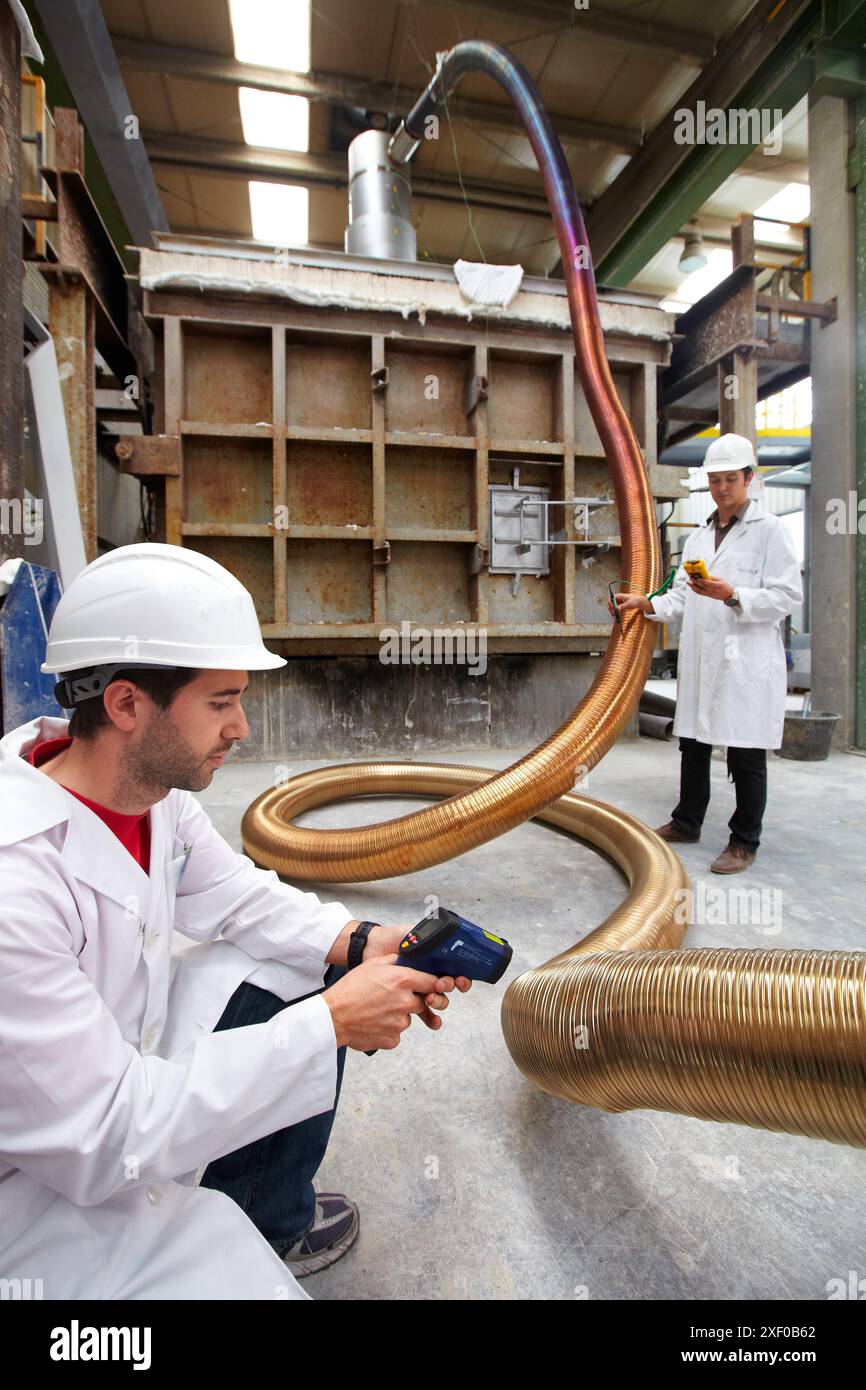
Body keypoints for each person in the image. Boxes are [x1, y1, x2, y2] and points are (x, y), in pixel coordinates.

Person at [0, 543, 472, 1300]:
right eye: (220, 702)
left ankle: (266, 1218)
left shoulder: (155, 796)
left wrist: (361, 945)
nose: (242, 728)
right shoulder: (15, 882)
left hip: (115, 1067)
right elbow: (105, 1135)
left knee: (309, 963)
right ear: (125, 704)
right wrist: (330, 1026)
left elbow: (239, 898)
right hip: (36, 1189)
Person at [612, 433, 802, 874]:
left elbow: (787, 595)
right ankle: (687, 821)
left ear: (750, 479)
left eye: (730, 479)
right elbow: (682, 596)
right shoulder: (698, 537)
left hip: (745, 661)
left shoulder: (770, 531)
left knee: (745, 753)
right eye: (715, 480)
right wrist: (649, 604)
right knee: (693, 743)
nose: (721, 488)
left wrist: (733, 594)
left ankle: (743, 842)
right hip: (703, 657)